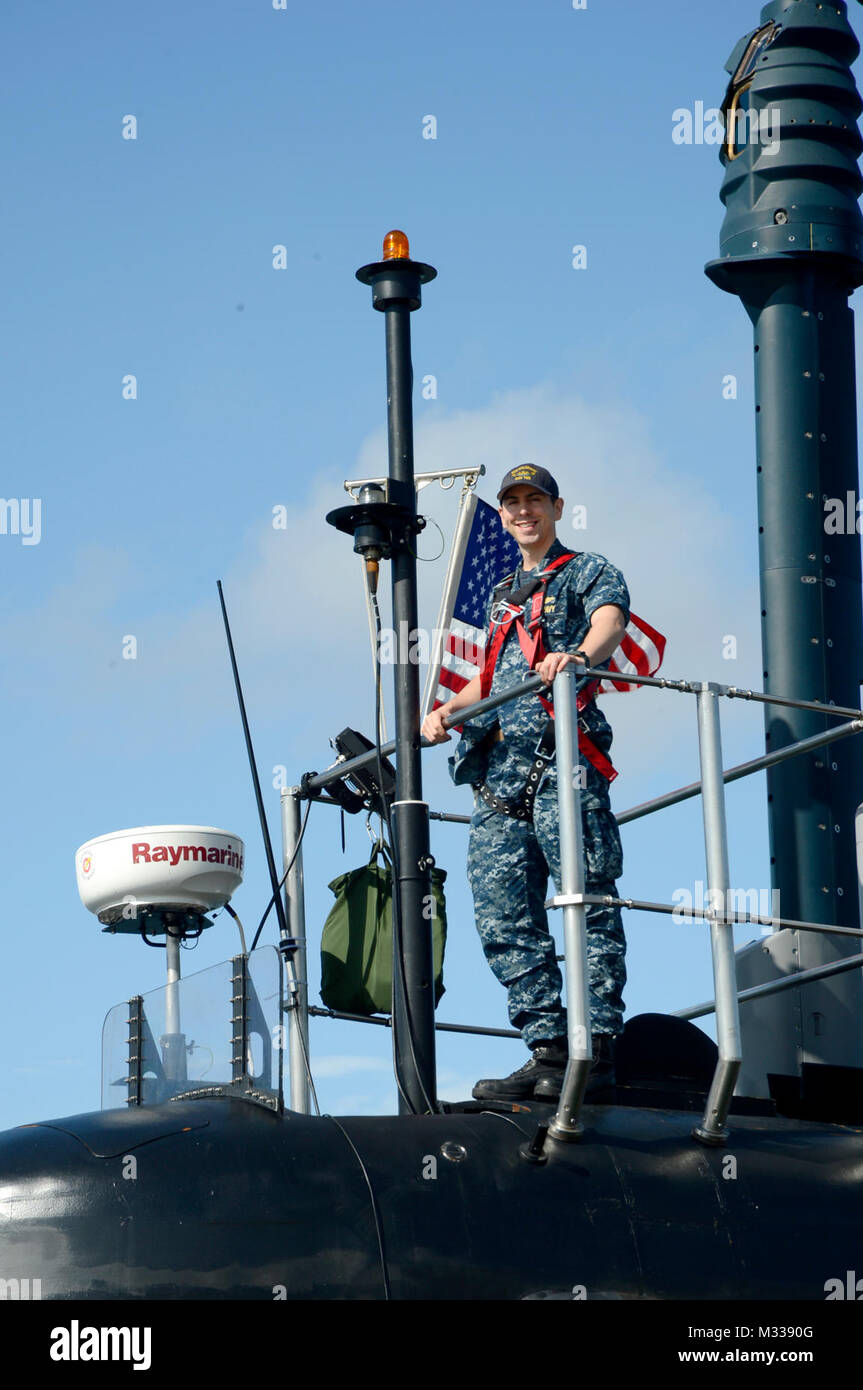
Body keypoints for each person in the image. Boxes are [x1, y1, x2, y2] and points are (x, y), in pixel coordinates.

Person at [421, 464, 629, 1101]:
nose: (521, 511)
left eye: (533, 500)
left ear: (556, 507)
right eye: (511, 502)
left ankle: (597, 1048)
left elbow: (610, 623)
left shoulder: (586, 569)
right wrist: (450, 709)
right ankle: (548, 1047)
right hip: (497, 777)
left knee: (583, 900)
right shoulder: (502, 591)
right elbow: (493, 670)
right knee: (503, 913)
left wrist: (579, 657)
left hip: (560, 762)